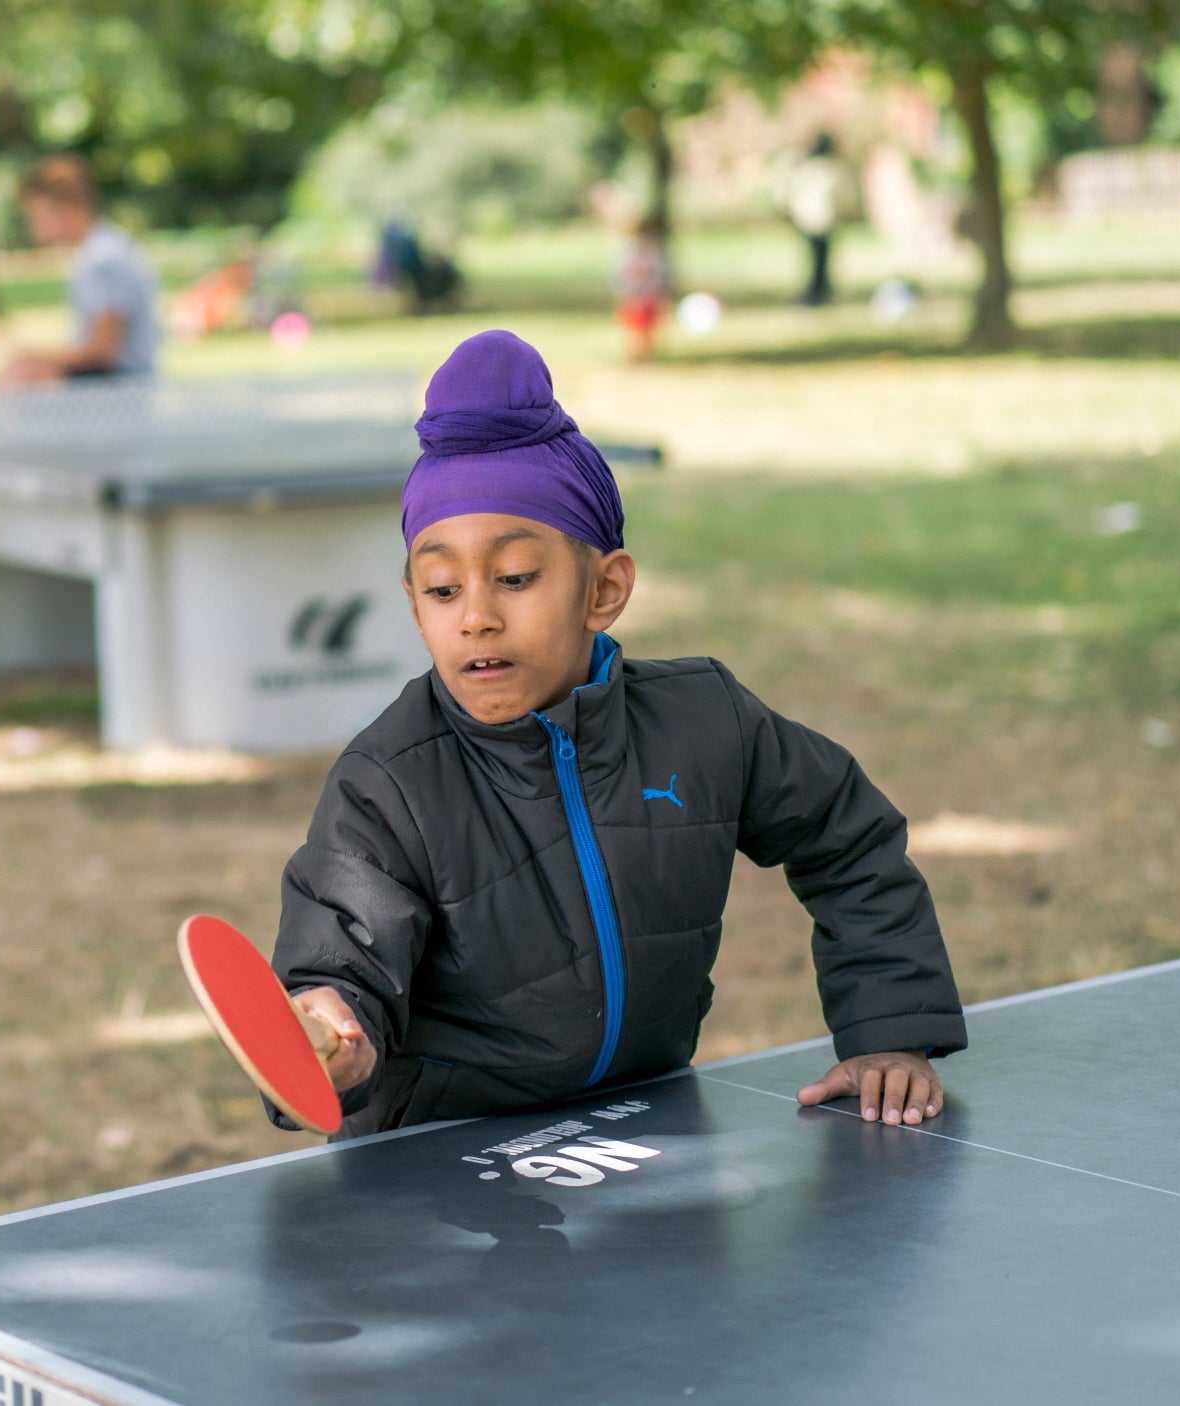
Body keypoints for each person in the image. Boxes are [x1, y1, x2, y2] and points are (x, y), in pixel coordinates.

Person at [272, 329, 965, 1139]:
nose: (476, 616)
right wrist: (331, 1040)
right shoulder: (387, 781)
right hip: (437, 1163)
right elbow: (337, 973)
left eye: (516, 577)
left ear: (605, 589)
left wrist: (889, 1029)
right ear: (413, 599)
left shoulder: (706, 721)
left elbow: (847, 838)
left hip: (638, 1127)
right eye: (441, 586)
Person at [1, 156, 160, 383]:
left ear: (69, 208)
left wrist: (39, 356)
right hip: (111, 379)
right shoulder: (97, 251)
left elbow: (102, 351)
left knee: (23, 373)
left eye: (38, 214)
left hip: (123, 387)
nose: (34, 225)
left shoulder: (103, 259)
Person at [786, 133, 846, 308]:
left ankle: (819, 291)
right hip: (821, 221)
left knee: (817, 259)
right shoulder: (830, 169)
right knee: (820, 259)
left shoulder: (807, 168)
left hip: (809, 220)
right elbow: (840, 195)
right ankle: (816, 292)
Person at [611, 212, 672, 362]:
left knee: (647, 327)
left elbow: (660, 272)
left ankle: (646, 354)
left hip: (649, 294)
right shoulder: (629, 249)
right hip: (633, 294)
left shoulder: (654, 250)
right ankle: (634, 354)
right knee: (632, 326)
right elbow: (620, 271)